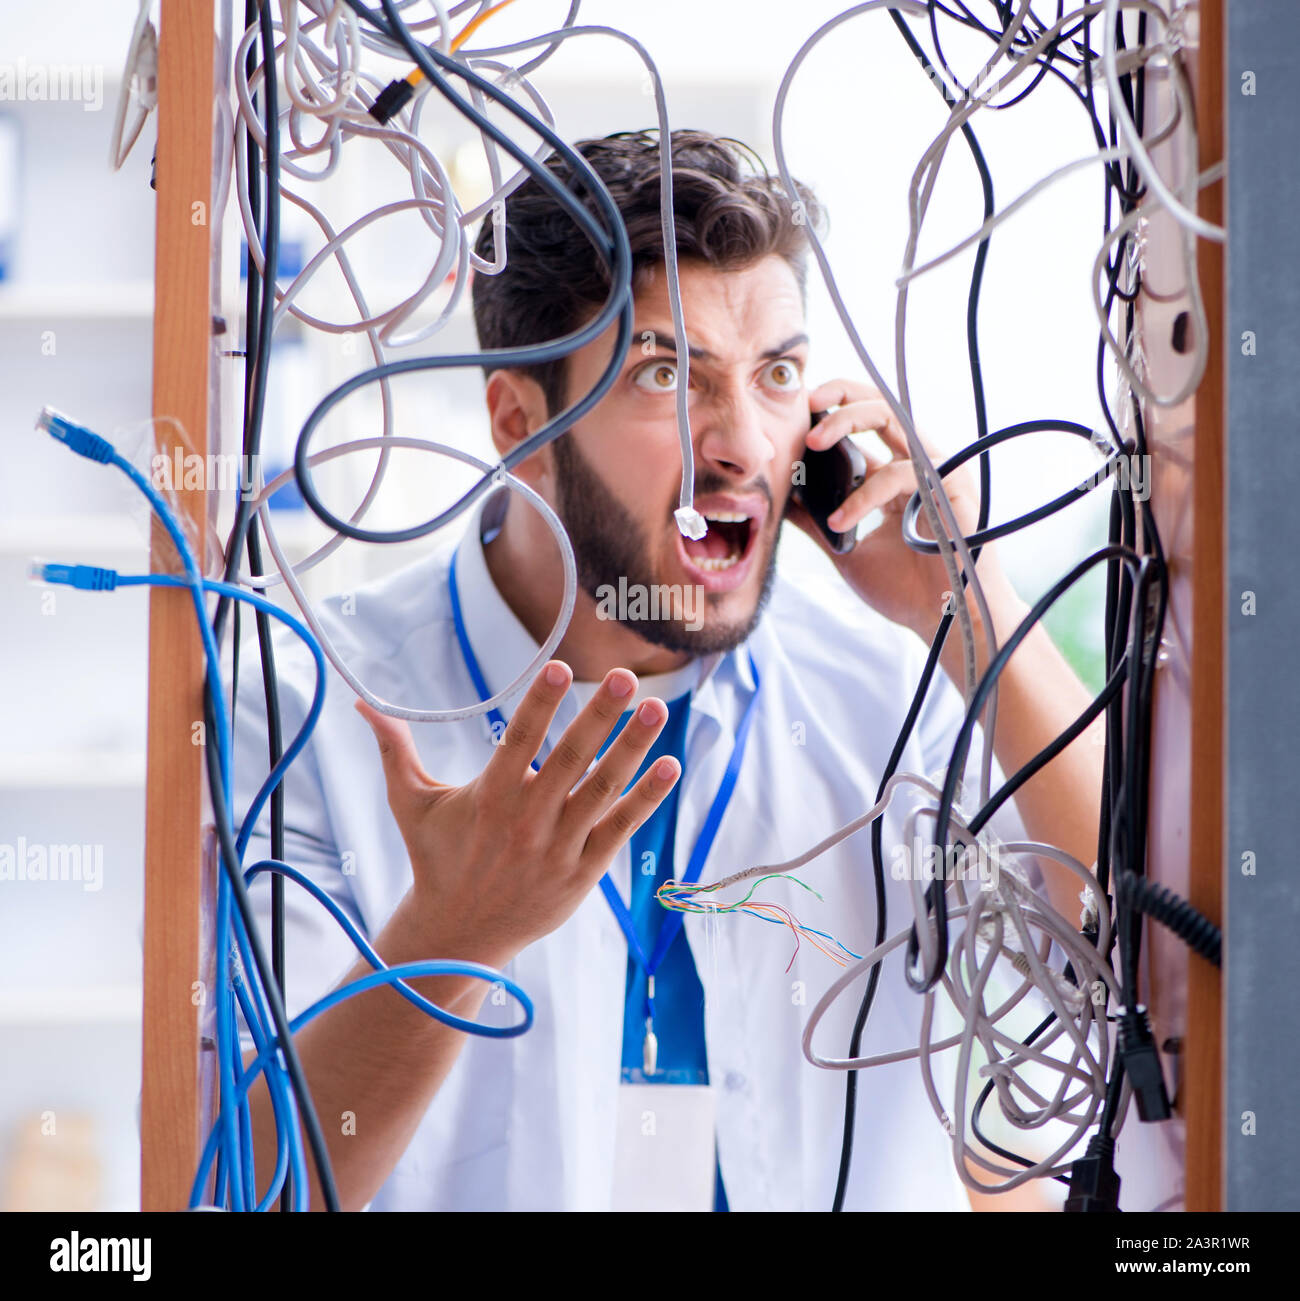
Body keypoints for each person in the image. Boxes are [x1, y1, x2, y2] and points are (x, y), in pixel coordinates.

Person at [235, 129, 1103, 1212]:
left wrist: (966, 608)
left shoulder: (892, 689)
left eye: (777, 374)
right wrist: (444, 940)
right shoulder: (307, 708)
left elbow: (1149, 960)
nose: (742, 444)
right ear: (521, 424)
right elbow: (239, 1190)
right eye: (665, 375)